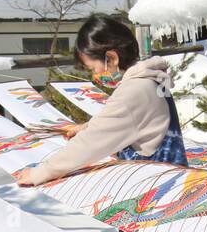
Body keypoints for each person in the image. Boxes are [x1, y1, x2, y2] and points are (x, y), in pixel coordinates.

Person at [14, 15, 188, 187]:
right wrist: (87, 127)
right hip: (172, 178)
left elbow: (90, 144)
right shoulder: (150, 80)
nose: (95, 76)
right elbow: (124, 120)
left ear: (111, 58)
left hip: (157, 187)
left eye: (93, 68)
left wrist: (40, 172)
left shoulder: (134, 91)